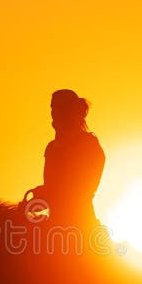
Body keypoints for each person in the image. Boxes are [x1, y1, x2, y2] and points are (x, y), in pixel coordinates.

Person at [30, 89, 105, 229]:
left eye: (59, 108)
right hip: (54, 220)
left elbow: (83, 190)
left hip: (80, 222)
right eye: (52, 108)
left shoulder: (88, 145)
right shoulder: (52, 147)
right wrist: (40, 195)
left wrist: (48, 194)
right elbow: (51, 186)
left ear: (71, 111)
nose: (53, 113)